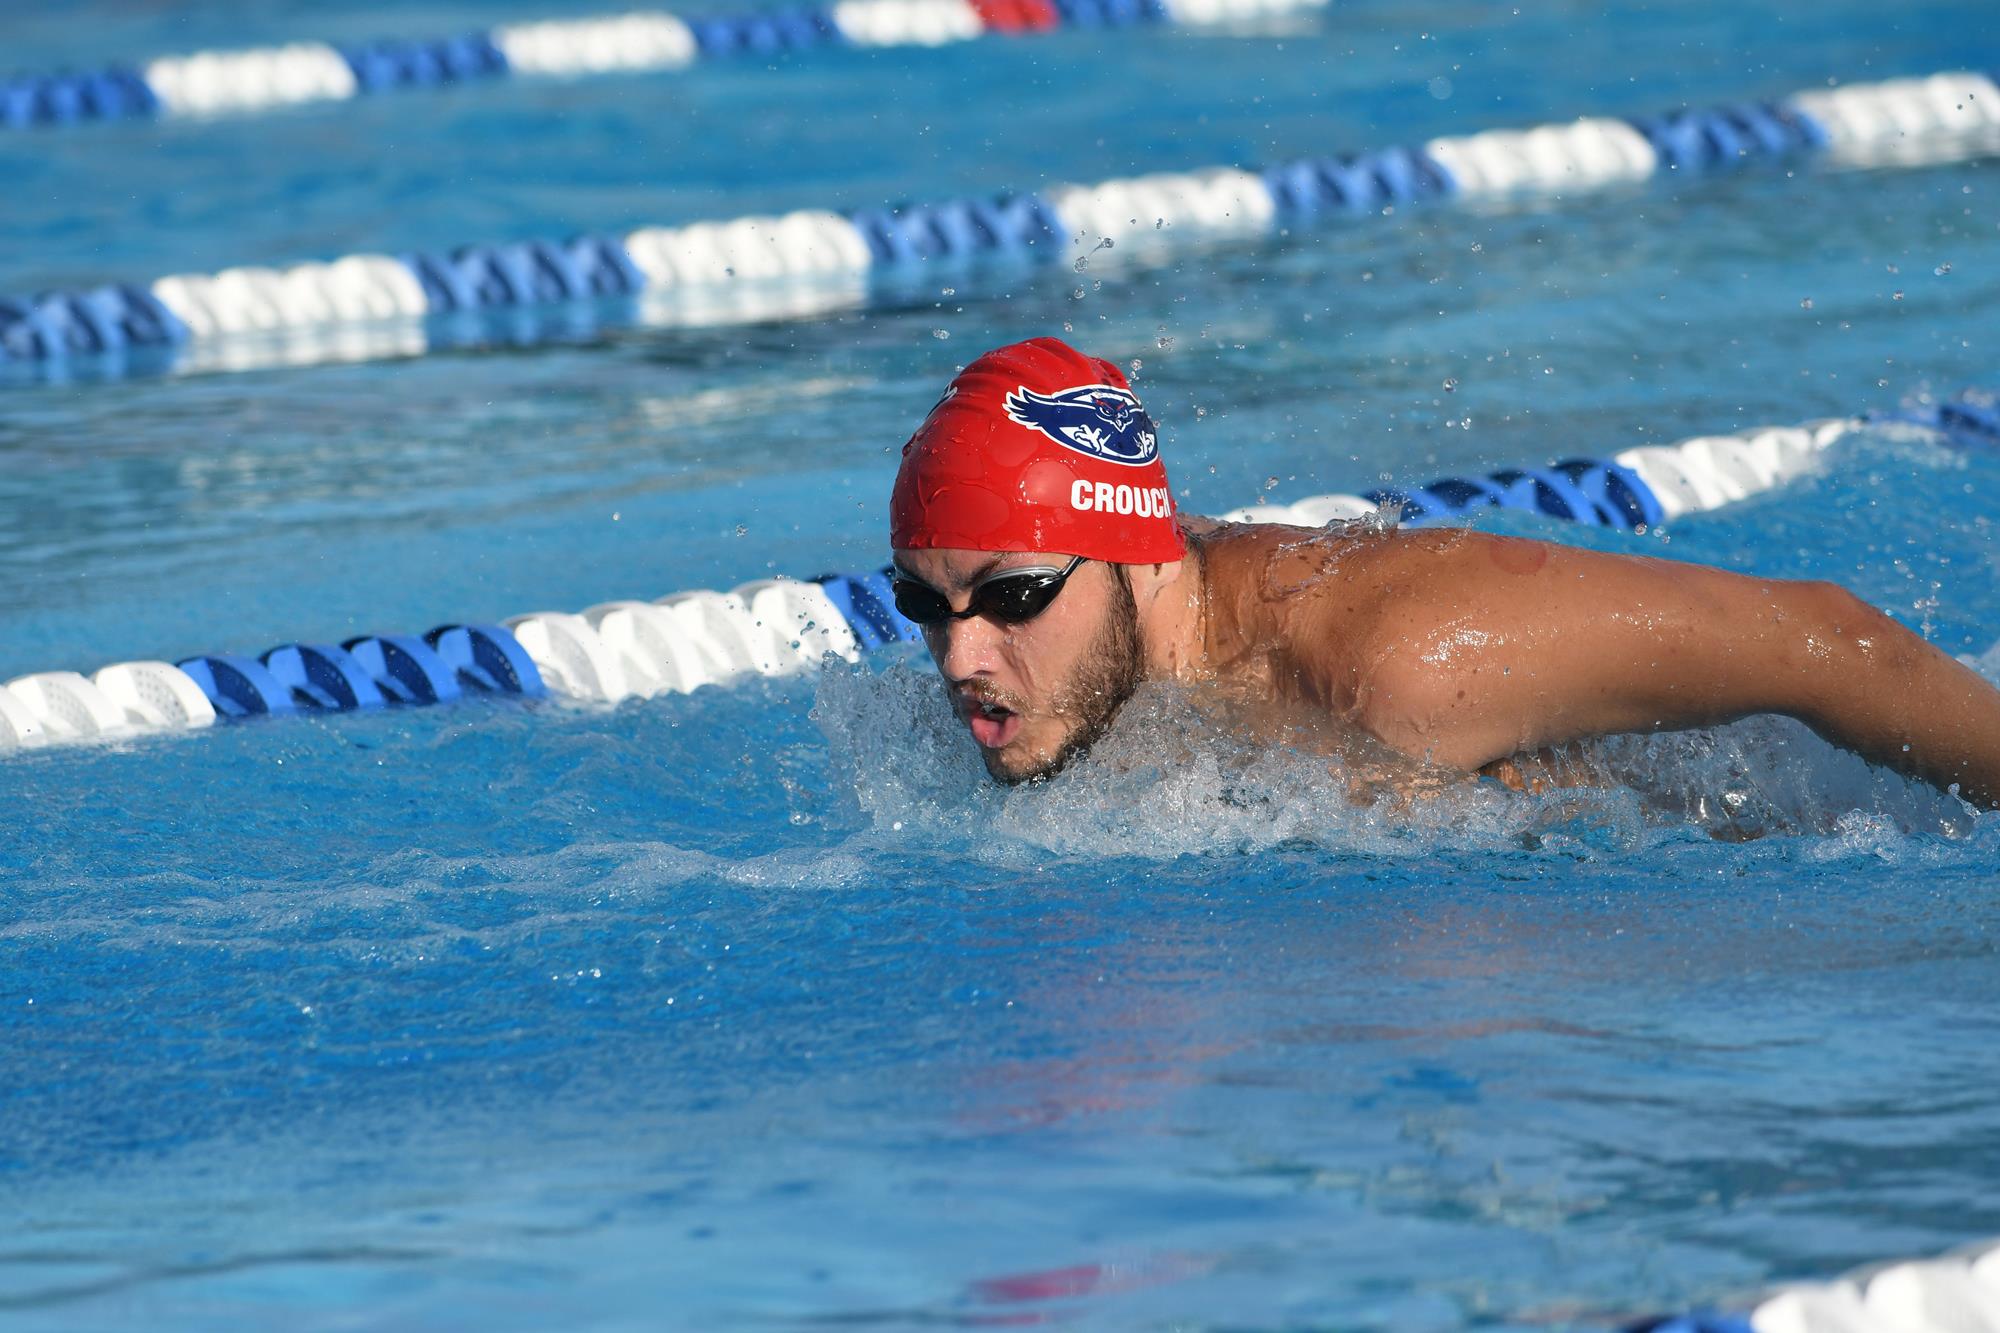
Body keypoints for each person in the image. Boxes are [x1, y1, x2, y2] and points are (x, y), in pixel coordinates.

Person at [886, 337, 2000, 808]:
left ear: (1133, 550)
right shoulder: (1108, 682)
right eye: (921, 604)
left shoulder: (1391, 661)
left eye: (1014, 596)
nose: (959, 656)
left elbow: (1826, 638)